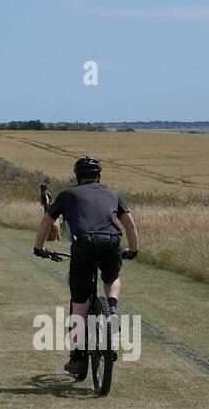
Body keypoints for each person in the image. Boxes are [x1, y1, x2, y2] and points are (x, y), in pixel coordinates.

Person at [33, 156, 139, 379]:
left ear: (77, 177)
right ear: (98, 176)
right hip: (111, 242)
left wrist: (39, 248)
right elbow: (129, 222)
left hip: (83, 245)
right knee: (111, 278)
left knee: (79, 304)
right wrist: (133, 249)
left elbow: (46, 221)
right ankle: (111, 309)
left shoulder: (67, 195)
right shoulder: (112, 194)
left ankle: (78, 359)